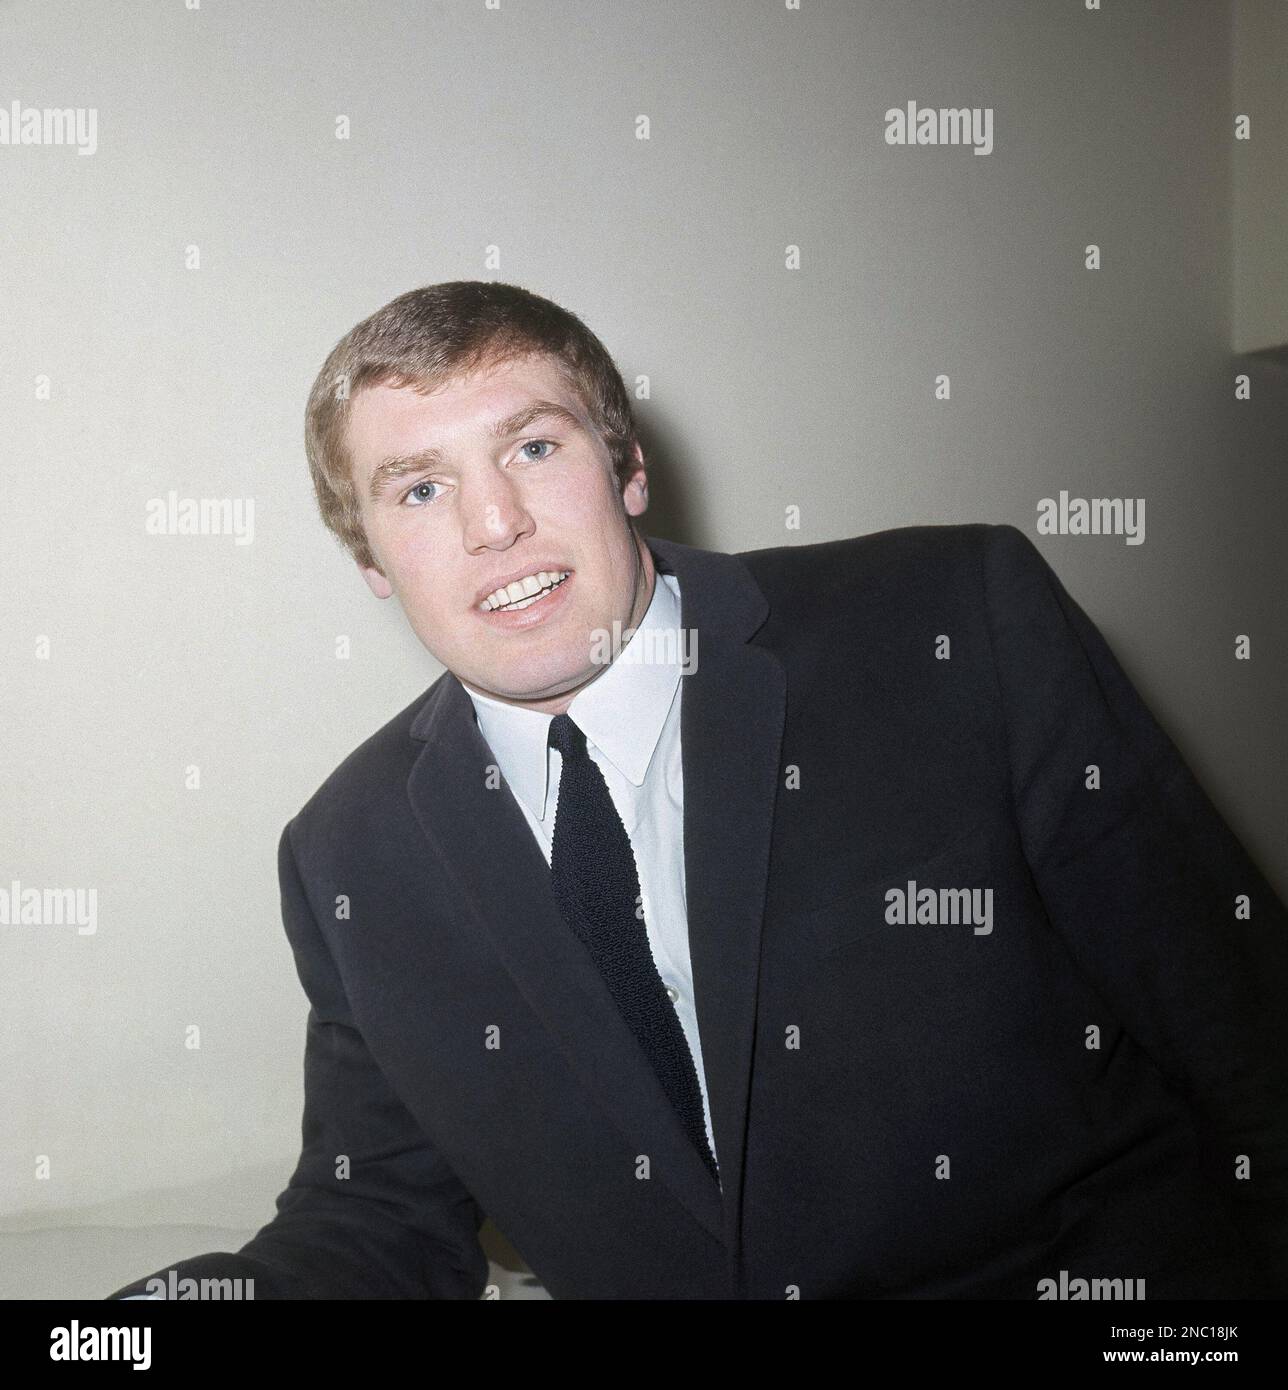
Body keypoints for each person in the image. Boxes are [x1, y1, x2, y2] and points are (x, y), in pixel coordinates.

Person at [108, 281, 1288, 1300]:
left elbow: (1244, 1032)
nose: (495, 523)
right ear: (369, 560)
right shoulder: (347, 852)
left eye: (532, 446)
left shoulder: (948, 626)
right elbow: (371, 1226)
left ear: (626, 468)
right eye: (417, 490)